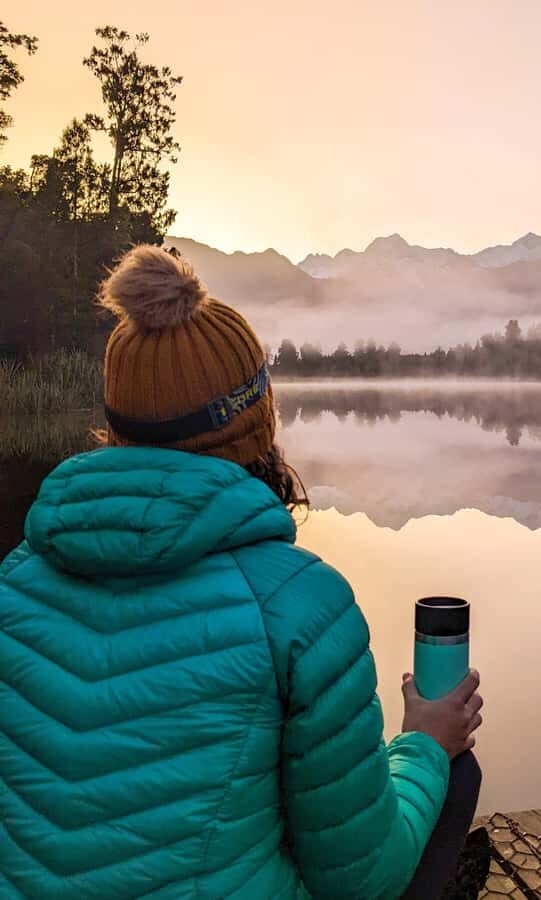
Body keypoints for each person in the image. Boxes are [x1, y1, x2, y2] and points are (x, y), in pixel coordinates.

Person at [0, 245, 484, 899]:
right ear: (258, 421)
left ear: (114, 425)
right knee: (454, 772)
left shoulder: (15, 581)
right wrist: (425, 743)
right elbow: (363, 876)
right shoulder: (299, 605)